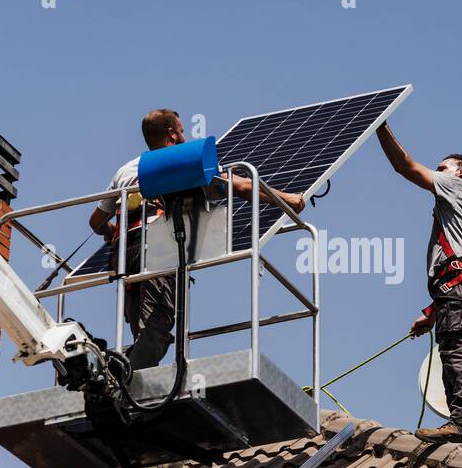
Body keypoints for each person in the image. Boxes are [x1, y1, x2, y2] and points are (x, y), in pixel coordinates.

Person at [89, 108, 305, 369]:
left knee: (142, 331)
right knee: (157, 328)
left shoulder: (125, 170)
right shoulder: (180, 161)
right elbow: (243, 186)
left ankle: (116, 372)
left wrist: (112, 233)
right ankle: (122, 380)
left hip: (125, 255)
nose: (184, 135)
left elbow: (95, 222)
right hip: (157, 249)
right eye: (181, 130)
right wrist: (290, 200)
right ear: (171, 133)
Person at [377, 122, 462, 446]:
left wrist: (377, 125)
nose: (437, 174)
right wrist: (433, 314)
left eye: (442, 168)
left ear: (461, 173)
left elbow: (404, 166)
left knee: (456, 351)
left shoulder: (457, 187)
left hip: (459, 292)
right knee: (458, 350)